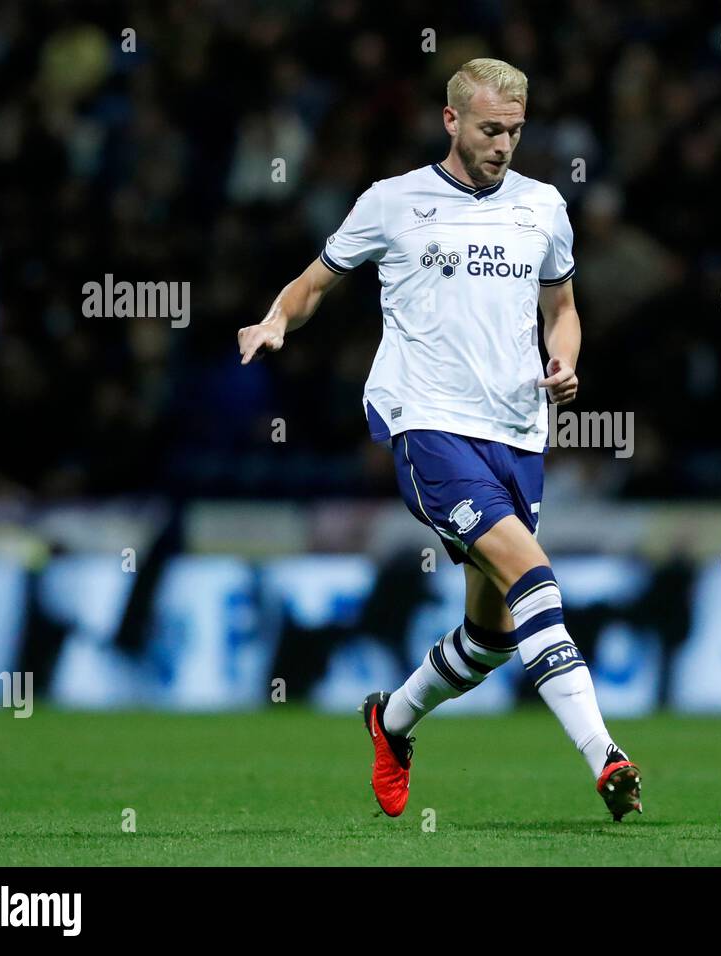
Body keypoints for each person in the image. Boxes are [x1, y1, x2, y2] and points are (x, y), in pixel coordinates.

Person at [236, 58, 642, 821]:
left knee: (489, 636)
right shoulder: (392, 202)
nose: (504, 145)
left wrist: (567, 358)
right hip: (429, 424)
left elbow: (563, 305)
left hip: (518, 431)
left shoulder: (544, 206)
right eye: (491, 129)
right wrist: (275, 320)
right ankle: (604, 756)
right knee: (533, 573)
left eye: (516, 132)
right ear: (451, 120)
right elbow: (315, 281)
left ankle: (391, 722)